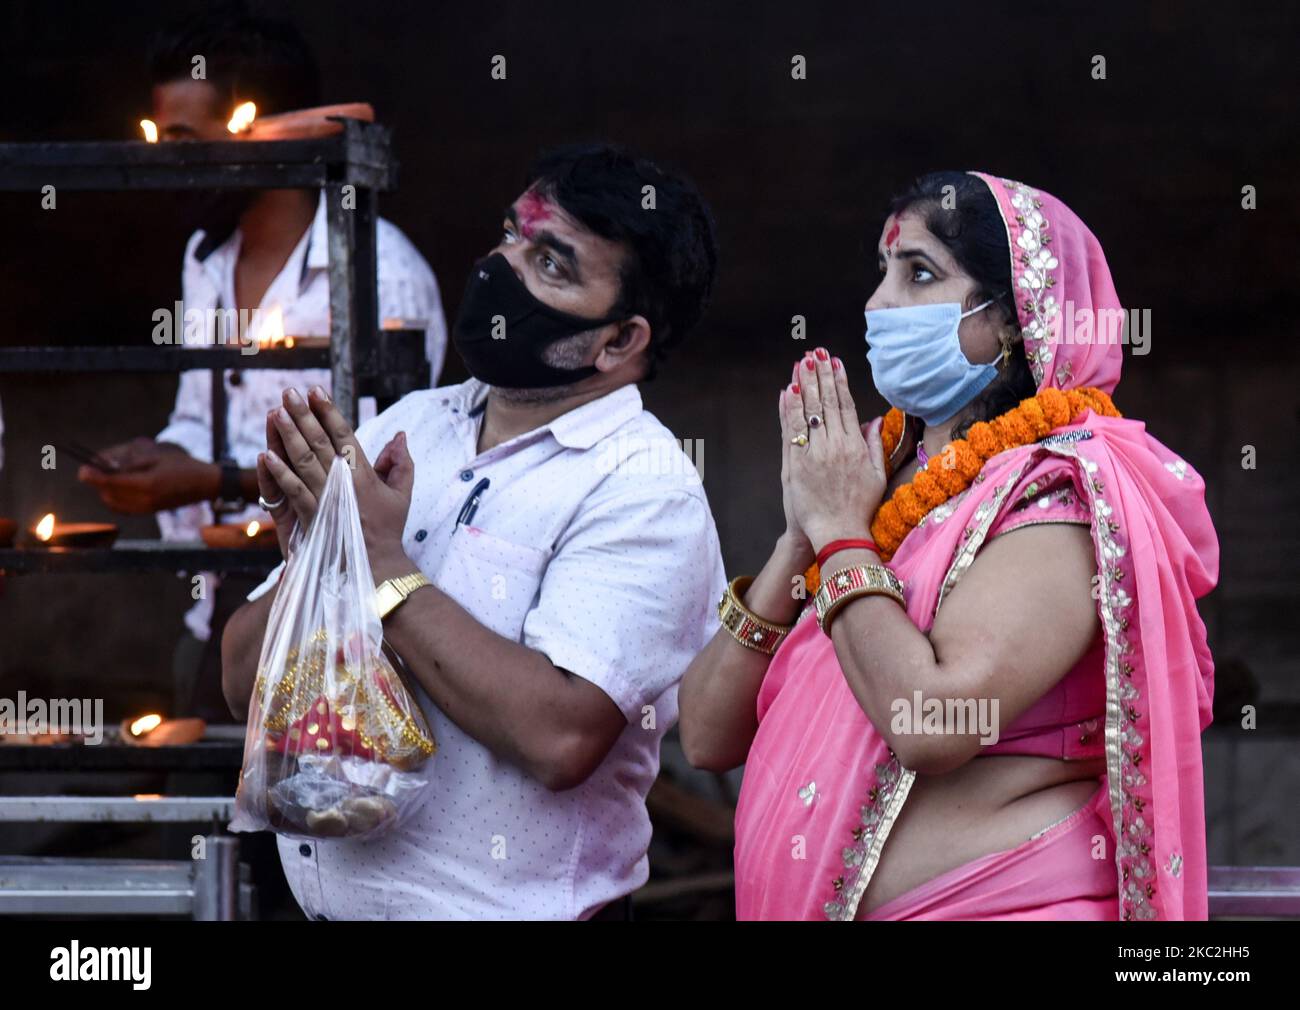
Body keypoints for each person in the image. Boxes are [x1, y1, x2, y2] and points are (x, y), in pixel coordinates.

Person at [679, 171, 1219, 921]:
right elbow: (705, 735)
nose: (877, 304)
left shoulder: (1063, 492)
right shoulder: (874, 481)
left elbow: (932, 724)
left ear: (1011, 319)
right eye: (883, 271)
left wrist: (840, 536)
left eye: (919, 274)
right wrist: (801, 535)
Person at [221, 142, 725, 920]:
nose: (504, 269)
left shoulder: (644, 488)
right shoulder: (412, 424)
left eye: (552, 265)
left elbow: (560, 738)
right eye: (511, 237)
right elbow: (239, 684)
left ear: (620, 340)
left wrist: (382, 566)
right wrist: (319, 553)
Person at [77, 9, 446, 720]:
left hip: (338, 626)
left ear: (265, 132)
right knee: (196, 817)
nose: (168, 161)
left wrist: (211, 479)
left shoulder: (380, 275)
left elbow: (377, 472)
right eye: (159, 136)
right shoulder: (205, 258)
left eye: (187, 140)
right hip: (222, 615)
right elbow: (197, 412)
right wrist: (161, 460)